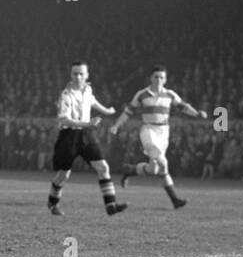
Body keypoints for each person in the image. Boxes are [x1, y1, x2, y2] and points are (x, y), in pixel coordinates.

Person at [109, 65, 207, 208]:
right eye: (156, 76)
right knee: (163, 163)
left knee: (153, 169)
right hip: (148, 130)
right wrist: (116, 125)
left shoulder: (170, 94)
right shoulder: (141, 94)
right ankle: (175, 200)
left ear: (165, 79)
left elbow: (183, 106)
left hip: (164, 132)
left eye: (161, 77)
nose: (158, 80)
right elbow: (128, 112)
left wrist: (197, 113)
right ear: (151, 78)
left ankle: (129, 170)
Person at [46, 62, 126, 216]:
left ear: (87, 75)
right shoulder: (66, 95)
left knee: (103, 168)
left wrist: (107, 111)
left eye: (81, 73)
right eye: (75, 73)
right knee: (63, 175)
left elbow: (92, 101)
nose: (78, 77)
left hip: (86, 135)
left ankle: (111, 205)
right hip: (68, 137)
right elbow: (63, 119)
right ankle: (53, 202)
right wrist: (87, 123)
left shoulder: (88, 89)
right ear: (71, 75)